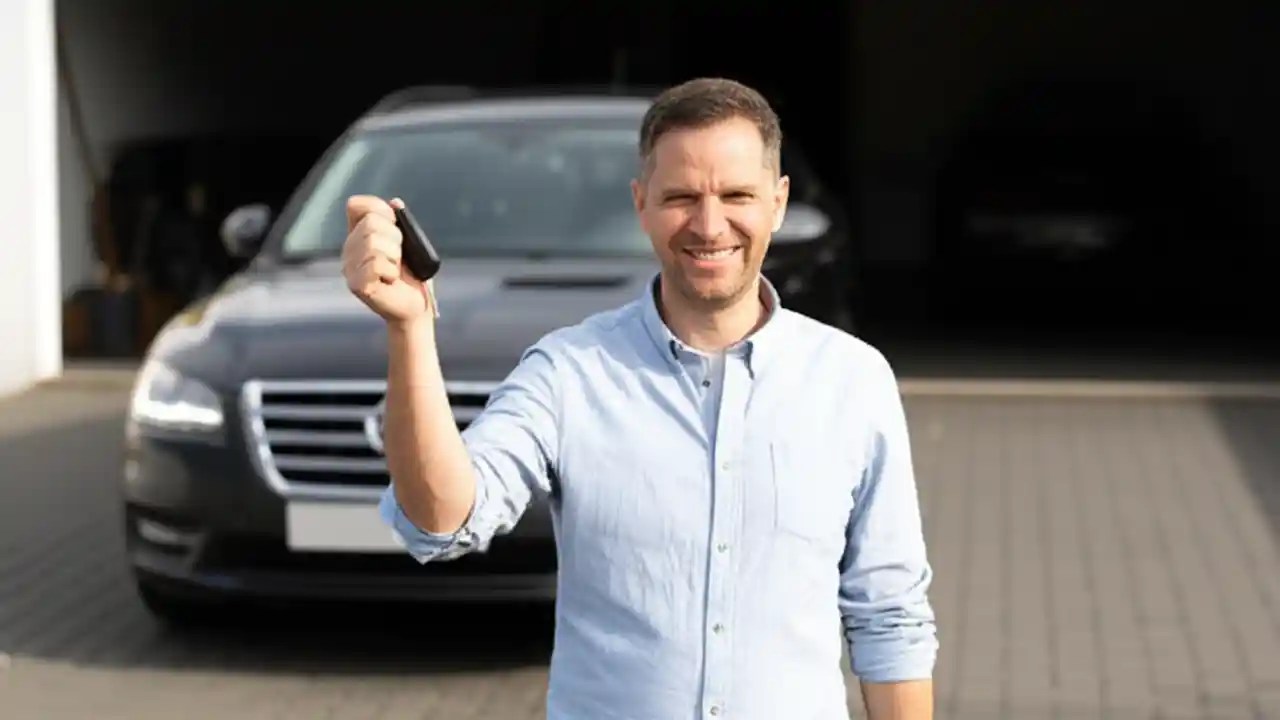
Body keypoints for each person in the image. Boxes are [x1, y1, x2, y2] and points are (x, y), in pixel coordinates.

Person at [342, 77, 937, 720]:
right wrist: (409, 328)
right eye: (681, 196)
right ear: (641, 203)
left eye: (736, 195)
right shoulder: (568, 373)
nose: (710, 226)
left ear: (778, 202)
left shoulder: (853, 380)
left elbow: (891, 617)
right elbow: (441, 520)